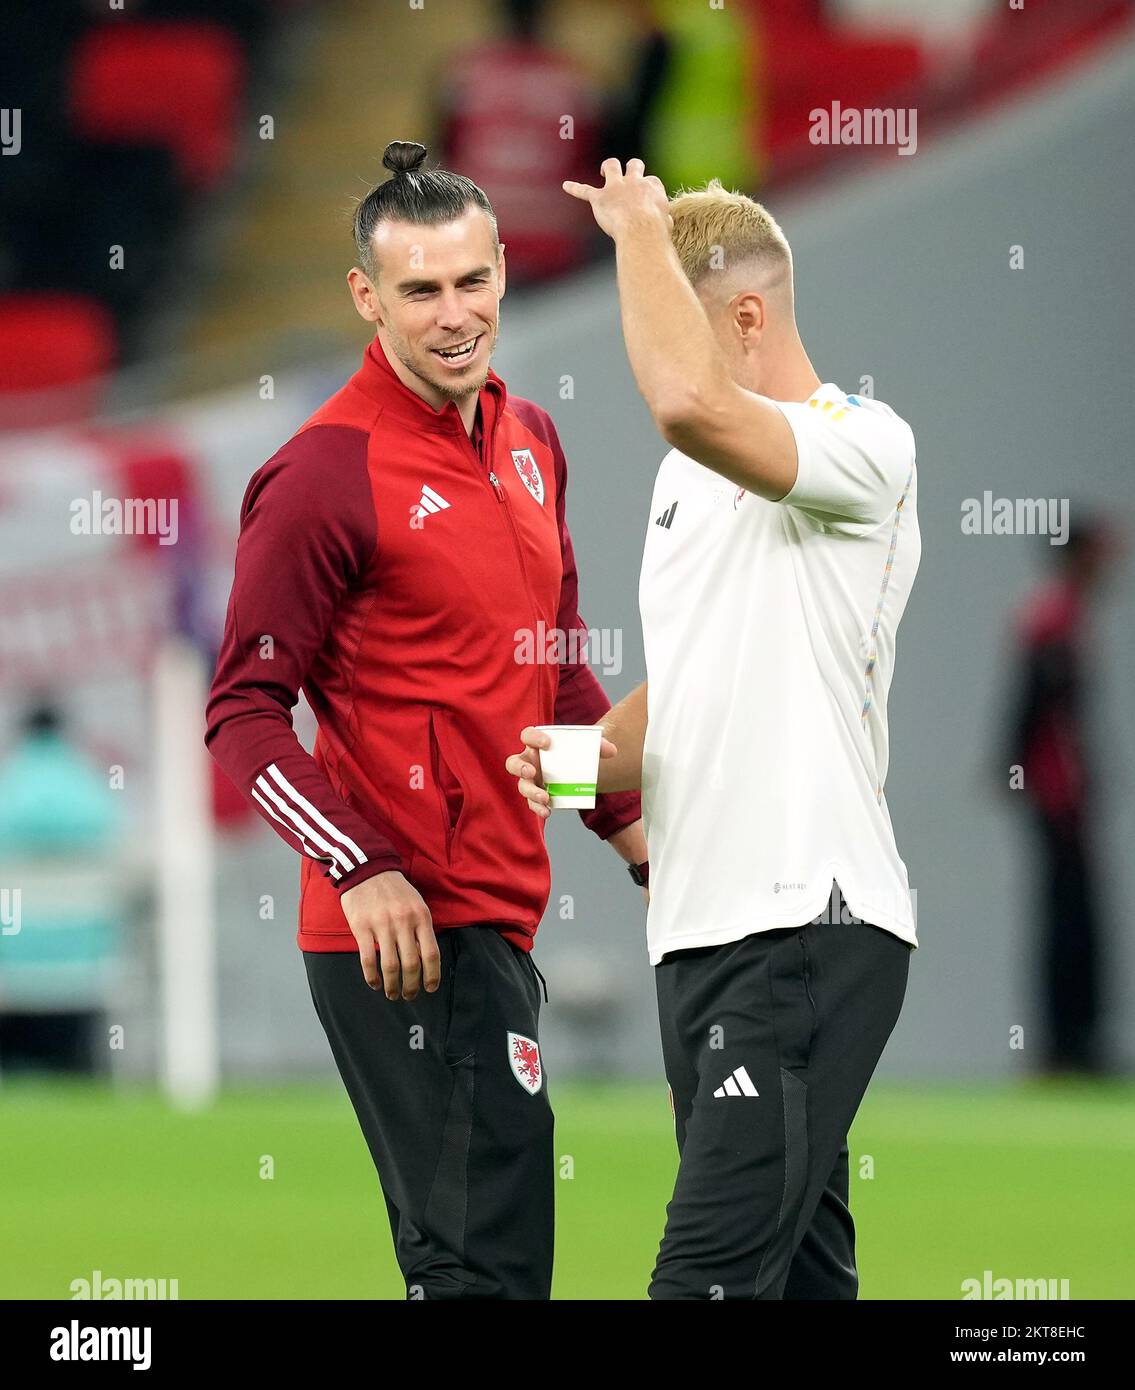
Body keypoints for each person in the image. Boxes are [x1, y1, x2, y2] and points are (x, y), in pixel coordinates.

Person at [204, 141, 647, 1300]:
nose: (454, 316)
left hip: (497, 920)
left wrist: (638, 835)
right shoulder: (320, 472)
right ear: (367, 296)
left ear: (504, 271)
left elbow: (551, 680)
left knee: (482, 1268)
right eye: (419, 290)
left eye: (471, 282)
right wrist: (360, 868)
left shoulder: (531, 441)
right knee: (481, 1270)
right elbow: (244, 715)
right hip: (399, 936)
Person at [509, 163, 919, 1299]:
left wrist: (638, 227)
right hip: (696, 934)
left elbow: (689, 401)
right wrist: (547, 768)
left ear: (742, 317)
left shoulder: (862, 443)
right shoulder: (682, 489)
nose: (654, 370)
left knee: (699, 1281)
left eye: (667, 329)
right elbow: (674, 705)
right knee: (797, 1280)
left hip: (805, 918)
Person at [1000, 518, 1118, 1075]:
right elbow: (1031, 707)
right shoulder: (1053, 619)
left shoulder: (1060, 616)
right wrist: (1017, 771)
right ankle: (1064, 1047)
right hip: (1056, 794)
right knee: (1069, 918)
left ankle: (1074, 1043)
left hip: (1064, 791)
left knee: (1075, 916)